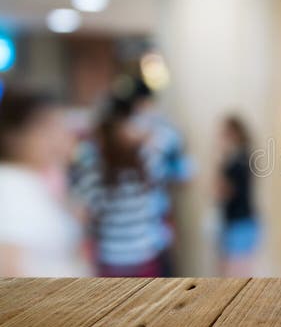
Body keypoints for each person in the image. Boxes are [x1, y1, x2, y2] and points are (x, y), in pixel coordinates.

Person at [0, 88, 91, 276]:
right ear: (13, 137)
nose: (59, 138)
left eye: (60, 127)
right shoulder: (9, 186)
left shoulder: (36, 177)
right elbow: (8, 269)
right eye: (45, 129)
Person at [73, 98, 165, 277]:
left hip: (112, 258)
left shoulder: (95, 173)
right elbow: (156, 135)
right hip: (144, 253)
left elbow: (84, 215)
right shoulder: (148, 163)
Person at [126, 78, 192, 276]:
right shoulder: (168, 131)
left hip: (130, 224)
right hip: (156, 214)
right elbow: (184, 174)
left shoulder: (124, 132)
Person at [216, 116, 259, 276]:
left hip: (240, 223)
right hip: (240, 220)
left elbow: (223, 191)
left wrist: (221, 161)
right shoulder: (244, 156)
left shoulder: (237, 161)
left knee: (236, 275)